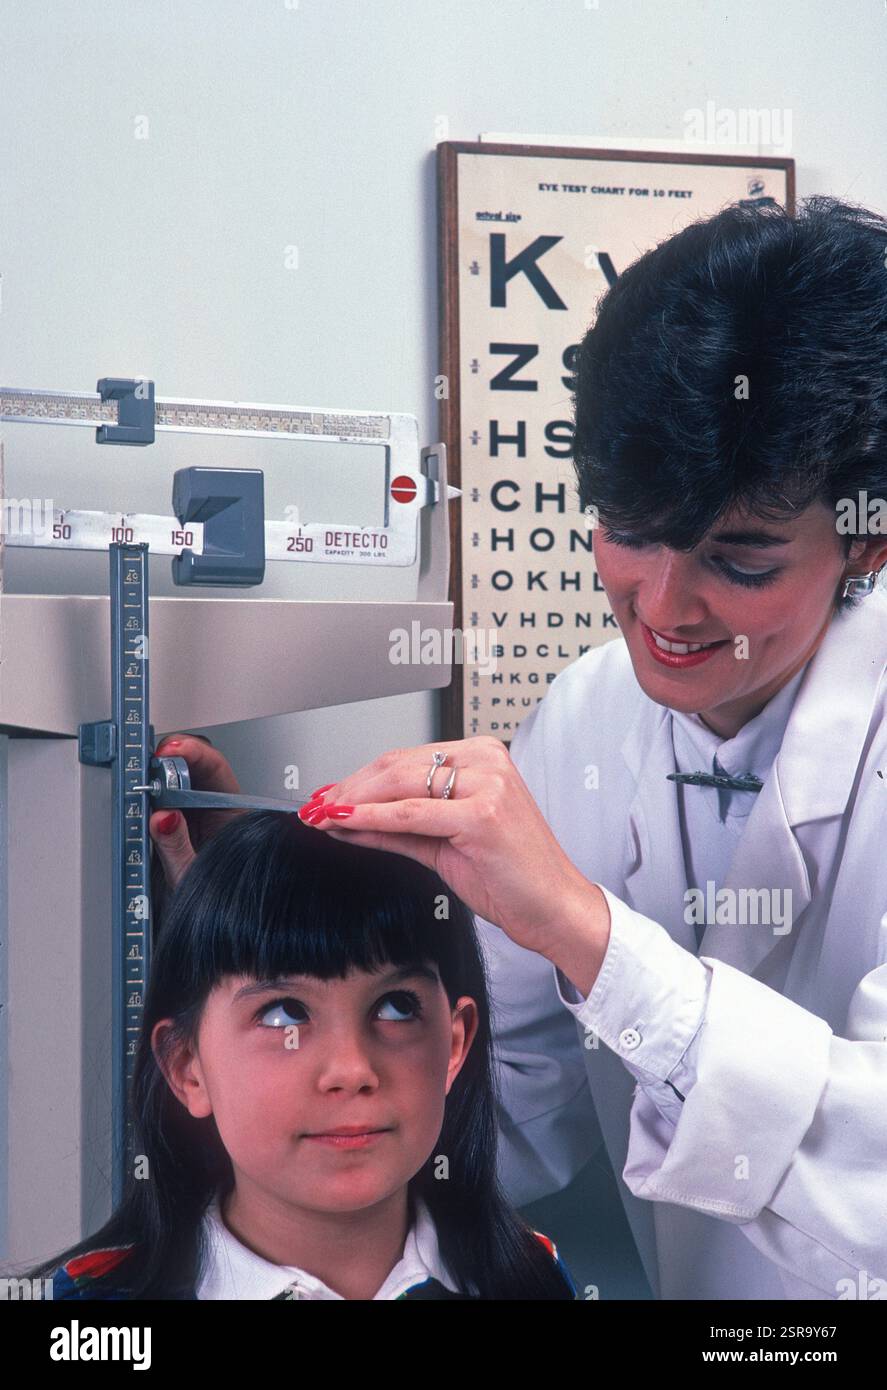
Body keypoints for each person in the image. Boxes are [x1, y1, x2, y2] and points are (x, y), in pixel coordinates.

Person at [149, 195, 887, 1301]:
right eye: (628, 529)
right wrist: (263, 931)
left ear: (866, 536)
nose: (663, 605)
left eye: (738, 558)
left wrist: (585, 930)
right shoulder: (593, 714)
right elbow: (502, 1099)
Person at [19, 811, 575, 1300]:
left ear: (455, 1045)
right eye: (285, 1013)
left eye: (397, 1007)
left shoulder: (533, 1281)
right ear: (187, 1067)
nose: (353, 1071)